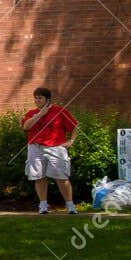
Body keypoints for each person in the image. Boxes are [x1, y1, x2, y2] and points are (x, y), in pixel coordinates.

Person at [23, 86, 79, 214]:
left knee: (61, 177)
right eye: (35, 98)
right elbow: (26, 127)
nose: (37, 100)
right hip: (35, 147)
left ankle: (70, 205)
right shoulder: (32, 113)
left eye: (40, 98)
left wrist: (72, 140)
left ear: (47, 100)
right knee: (39, 176)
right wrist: (39, 115)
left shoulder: (59, 111)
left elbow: (75, 125)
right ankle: (43, 205)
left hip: (56, 147)